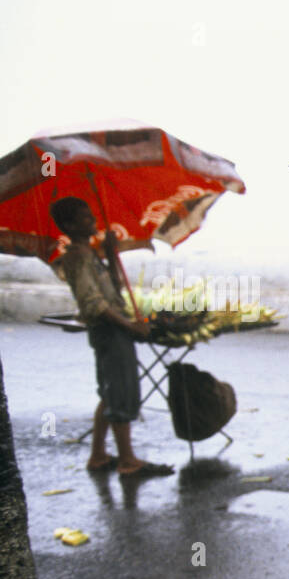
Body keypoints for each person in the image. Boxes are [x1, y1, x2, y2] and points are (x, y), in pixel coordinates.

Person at [49, 197, 174, 478]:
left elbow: (113, 291)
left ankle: (98, 455)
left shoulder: (90, 254)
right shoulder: (76, 257)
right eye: (84, 217)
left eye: (90, 214)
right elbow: (94, 304)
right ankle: (128, 460)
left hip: (115, 328)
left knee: (109, 392)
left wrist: (109, 255)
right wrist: (130, 327)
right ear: (69, 225)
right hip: (109, 331)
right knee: (121, 391)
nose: (92, 220)